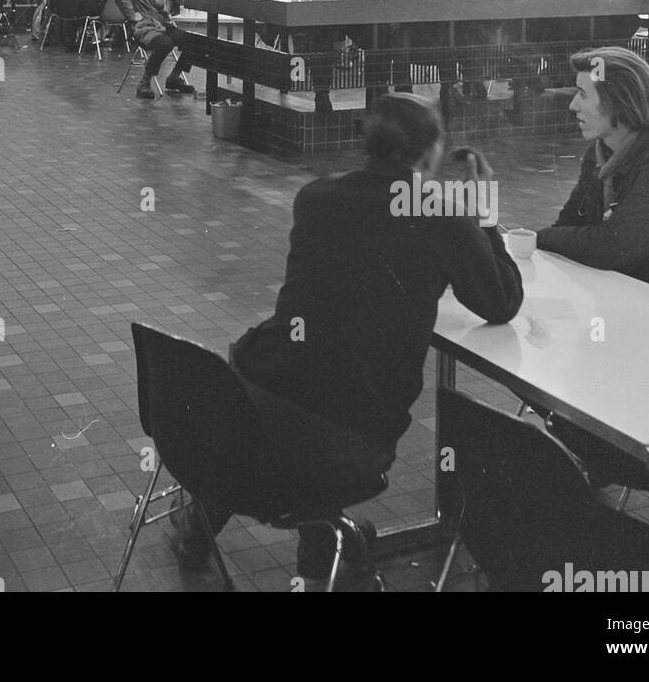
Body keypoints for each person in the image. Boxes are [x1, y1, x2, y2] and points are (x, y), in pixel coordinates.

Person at [166, 93, 523, 586]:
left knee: (291, 402)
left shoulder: (314, 197)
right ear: (431, 151)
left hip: (247, 406)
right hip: (347, 441)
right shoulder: (444, 218)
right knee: (332, 408)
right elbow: (500, 303)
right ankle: (321, 551)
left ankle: (206, 528)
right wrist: (484, 218)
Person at [537, 47, 649, 301]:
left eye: (583, 94)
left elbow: (611, 247)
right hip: (616, 295)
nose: (573, 105)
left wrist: (539, 237)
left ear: (618, 102)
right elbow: (568, 225)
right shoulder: (600, 153)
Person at [112, 0, 197, 99]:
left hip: (162, 25)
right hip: (144, 26)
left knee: (192, 41)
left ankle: (174, 78)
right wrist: (132, 15)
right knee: (165, 43)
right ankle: (144, 83)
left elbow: (184, 1)